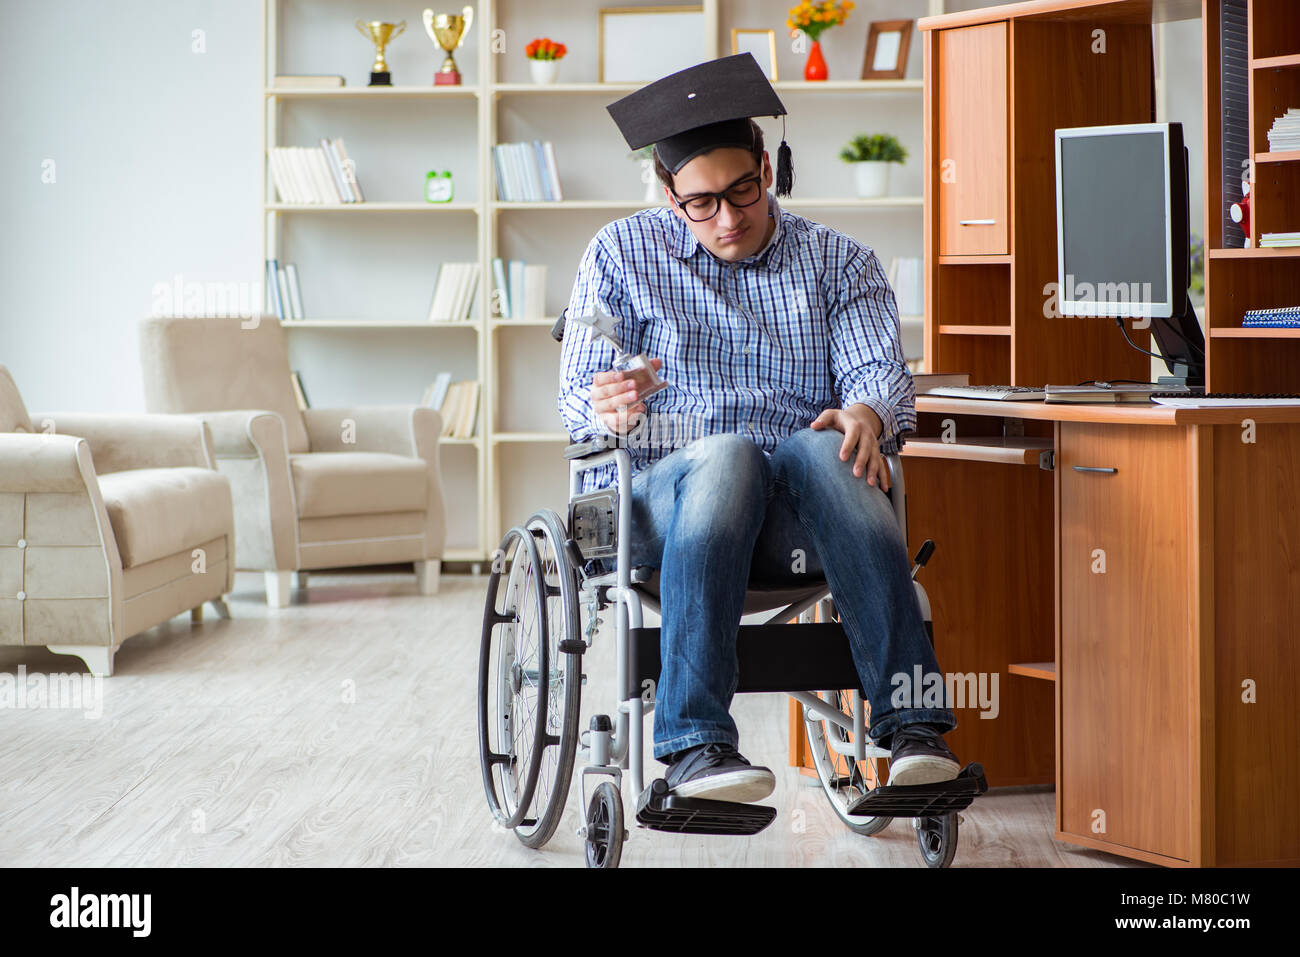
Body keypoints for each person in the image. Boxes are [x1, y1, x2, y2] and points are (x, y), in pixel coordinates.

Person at [557, 54, 959, 804]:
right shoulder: (620, 254)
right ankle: (694, 744)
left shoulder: (840, 262)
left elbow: (879, 374)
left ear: (768, 169)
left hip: (789, 521)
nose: (728, 217)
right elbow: (578, 398)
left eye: (743, 190)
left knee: (826, 445)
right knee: (728, 456)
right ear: (669, 195)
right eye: (701, 203)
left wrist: (868, 412)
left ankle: (914, 729)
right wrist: (607, 403)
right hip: (665, 510)